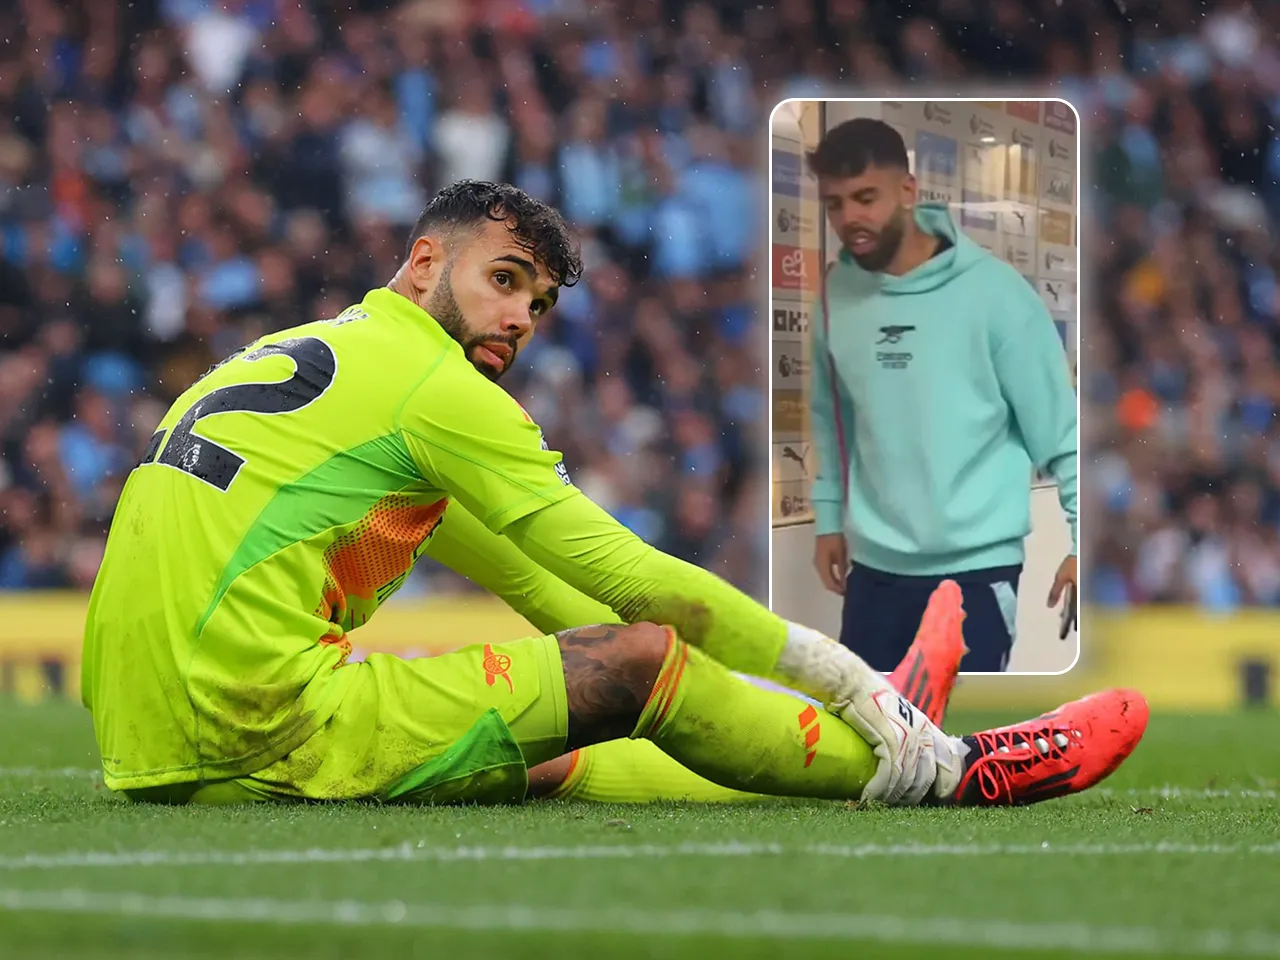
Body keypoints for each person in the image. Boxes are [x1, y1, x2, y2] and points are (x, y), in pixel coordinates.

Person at [82, 180, 1140, 812]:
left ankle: (880, 728)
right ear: (420, 263)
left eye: (537, 303)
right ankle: (943, 771)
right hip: (251, 728)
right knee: (638, 663)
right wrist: (846, 679)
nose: (519, 318)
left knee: (569, 720)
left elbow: (550, 594)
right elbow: (630, 587)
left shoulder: (309, 355)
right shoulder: (435, 391)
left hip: (138, 743)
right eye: (503, 280)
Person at [806, 119, 1079, 673]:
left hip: (976, 574)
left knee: (962, 749)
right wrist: (829, 519)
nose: (850, 218)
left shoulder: (997, 294)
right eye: (835, 204)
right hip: (875, 572)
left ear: (907, 192)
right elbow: (834, 418)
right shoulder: (835, 296)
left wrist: (1081, 541)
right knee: (866, 747)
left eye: (866, 198)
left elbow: (1063, 433)